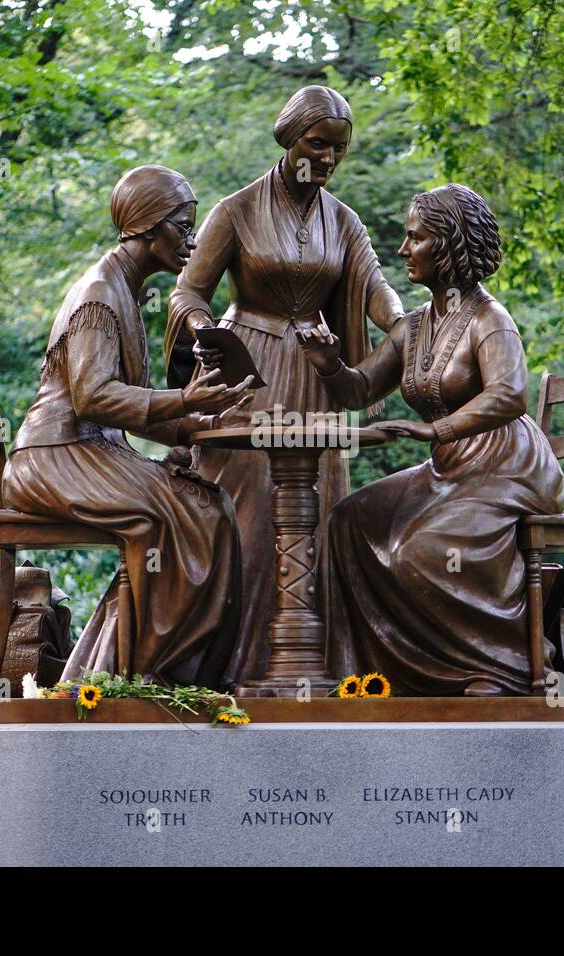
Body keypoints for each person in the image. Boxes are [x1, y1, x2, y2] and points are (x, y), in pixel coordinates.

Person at [163, 85, 405, 687]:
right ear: (289, 138)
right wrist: (201, 328)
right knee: (245, 521)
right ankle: (223, 672)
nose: (326, 158)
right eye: (317, 144)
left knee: (314, 518)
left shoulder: (343, 221)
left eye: (338, 150)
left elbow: (374, 285)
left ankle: (299, 669)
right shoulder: (237, 210)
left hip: (315, 374)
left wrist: (404, 325)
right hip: (247, 371)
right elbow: (188, 291)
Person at [297, 184, 564, 695]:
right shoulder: (415, 326)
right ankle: (376, 676)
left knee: (420, 552)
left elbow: (510, 395)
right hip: (447, 468)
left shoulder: (491, 320)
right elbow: (359, 389)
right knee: (346, 522)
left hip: (505, 465)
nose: (403, 250)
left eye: (415, 238)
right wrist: (330, 364)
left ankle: (499, 667)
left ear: (448, 246)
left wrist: (434, 429)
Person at [3, 165, 254, 688]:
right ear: (145, 225)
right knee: (176, 516)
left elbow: (130, 406)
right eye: (182, 227)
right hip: (56, 456)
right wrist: (184, 399)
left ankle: (143, 669)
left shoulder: (125, 289)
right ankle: (139, 670)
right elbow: (92, 397)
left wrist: (196, 423)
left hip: (90, 450)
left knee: (213, 506)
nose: (191, 240)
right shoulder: (99, 294)